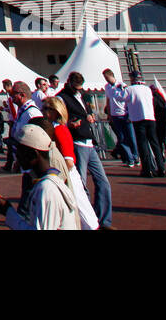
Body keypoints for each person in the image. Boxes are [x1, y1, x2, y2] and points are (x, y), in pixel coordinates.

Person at [0, 125, 81, 230]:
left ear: (33, 154)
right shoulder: (50, 182)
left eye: (19, 151)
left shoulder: (47, 189)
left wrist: (8, 212)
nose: (17, 156)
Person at [60, 71, 113, 229]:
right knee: (81, 185)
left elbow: (85, 111)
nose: (79, 90)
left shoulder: (83, 96)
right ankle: (87, 220)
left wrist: (89, 115)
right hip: (77, 142)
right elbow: (61, 119)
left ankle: (103, 220)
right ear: (70, 83)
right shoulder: (63, 97)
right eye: (76, 87)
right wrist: (72, 123)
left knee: (103, 182)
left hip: (89, 142)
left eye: (80, 88)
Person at [124, 72, 164, 178]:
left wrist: (121, 88)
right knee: (155, 144)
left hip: (138, 118)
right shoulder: (147, 89)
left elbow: (122, 98)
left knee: (143, 145)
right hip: (150, 117)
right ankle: (161, 168)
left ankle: (148, 169)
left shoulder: (129, 89)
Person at [102, 68, 138, 167]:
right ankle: (129, 158)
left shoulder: (121, 85)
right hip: (115, 115)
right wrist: (109, 114)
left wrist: (129, 113)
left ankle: (135, 156)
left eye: (107, 77)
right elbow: (108, 100)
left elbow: (128, 99)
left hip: (124, 114)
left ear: (111, 76)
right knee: (121, 137)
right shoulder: (107, 87)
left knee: (131, 136)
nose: (106, 80)